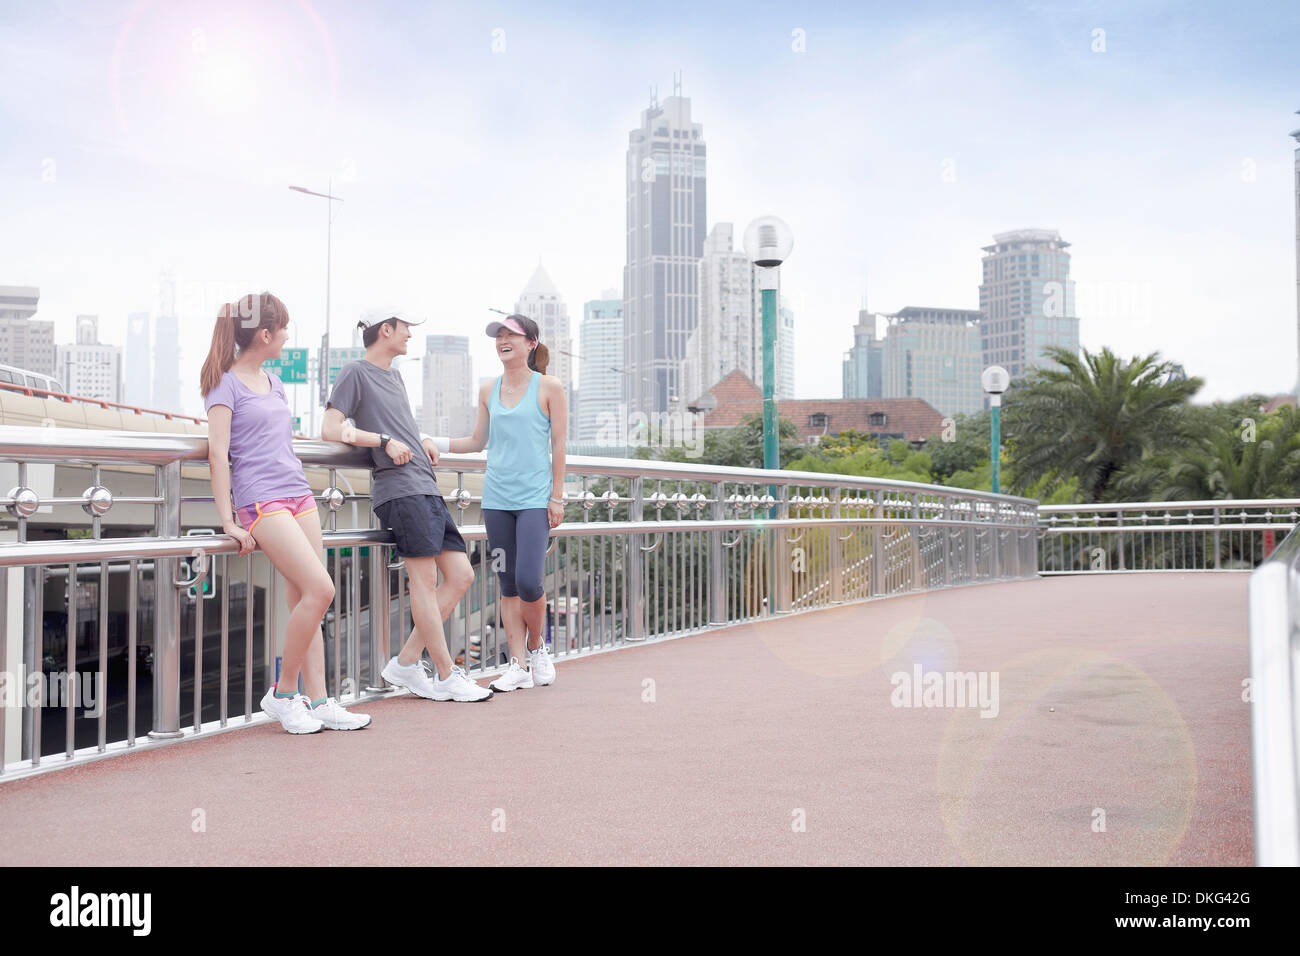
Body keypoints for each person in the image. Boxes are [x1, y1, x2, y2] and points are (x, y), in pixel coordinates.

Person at [201, 292, 370, 733]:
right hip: (261, 501)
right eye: (284, 329)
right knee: (322, 590)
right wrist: (229, 521)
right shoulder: (225, 383)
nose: (287, 336)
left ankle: (318, 700)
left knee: (306, 601)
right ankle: (283, 693)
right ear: (264, 334)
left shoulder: (274, 382)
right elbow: (219, 454)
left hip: (298, 494)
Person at [321, 309, 492, 703]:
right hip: (400, 490)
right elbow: (330, 428)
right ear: (386, 330)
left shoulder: (395, 376)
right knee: (425, 581)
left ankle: (406, 661)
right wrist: (382, 441)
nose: (410, 336)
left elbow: (401, 424)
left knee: (462, 575)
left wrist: (421, 438)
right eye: (406, 329)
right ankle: (447, 674)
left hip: (426, 486)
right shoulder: (355, 372)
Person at [437, 313, 563, 692]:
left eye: (512, 335)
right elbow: (477, 442)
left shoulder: (549, 387)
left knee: (528, 579)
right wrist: (433, 442)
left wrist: (557, 496)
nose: (503, 340)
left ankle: (538, 647)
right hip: (496, 499)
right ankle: (518, 665)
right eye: (499, 335)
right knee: (506, 583)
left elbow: (559, 445)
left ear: (531, 343)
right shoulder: (487, 389)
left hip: (534, 499)